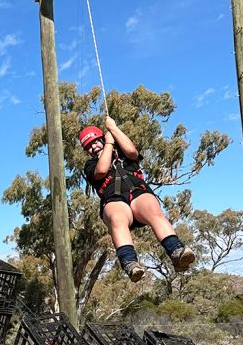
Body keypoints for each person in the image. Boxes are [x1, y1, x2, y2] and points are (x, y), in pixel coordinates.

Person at [79, 120, 195, 282]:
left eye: (95, 142)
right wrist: (109, 144)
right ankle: (130, 263)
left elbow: (133, 152)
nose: (93, 147)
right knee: (117, 218)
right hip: (114, 199)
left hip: (137, 192)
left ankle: (176, 251)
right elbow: (102, 170)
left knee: (153, 211)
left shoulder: (123, 152)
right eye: (88, 146)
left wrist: (113, 129)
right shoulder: (90, 165)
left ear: (101, 139)